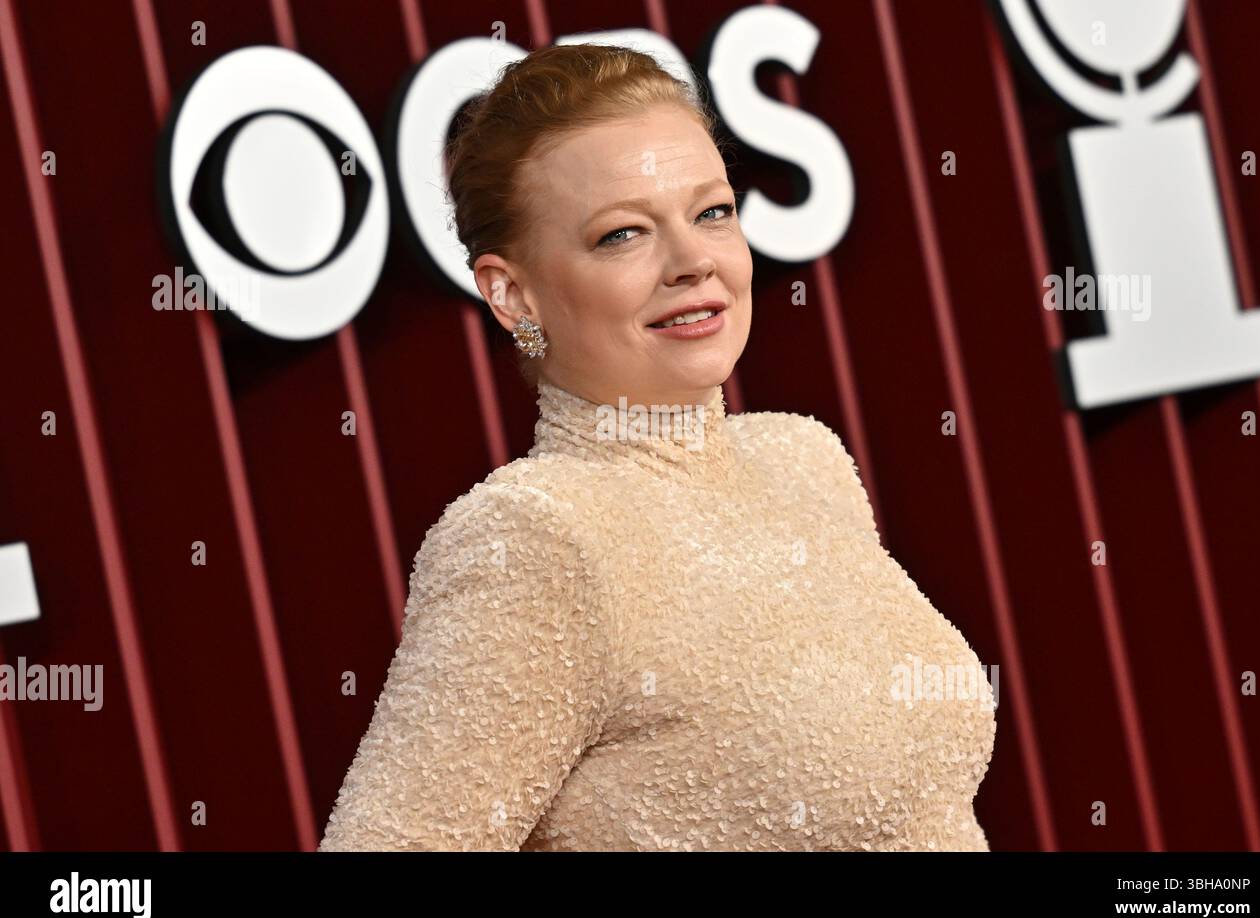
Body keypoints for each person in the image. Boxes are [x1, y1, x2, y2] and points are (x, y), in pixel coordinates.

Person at [318, 43, 996, 851]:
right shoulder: (535, 540)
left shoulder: (804, 461)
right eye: (623, 235)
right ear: (511, 293)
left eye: (712, 212)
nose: (693, 262)